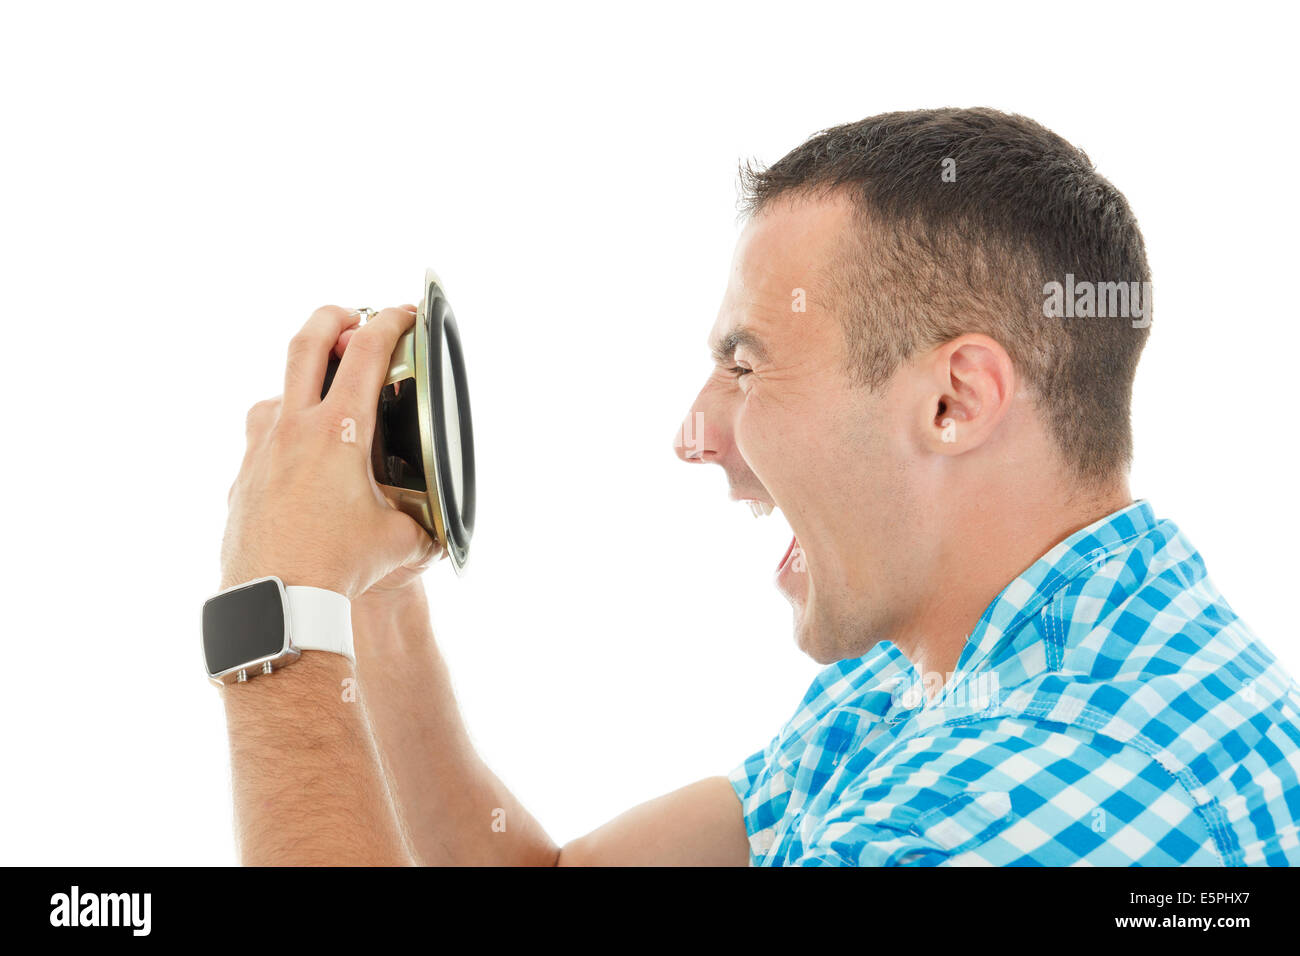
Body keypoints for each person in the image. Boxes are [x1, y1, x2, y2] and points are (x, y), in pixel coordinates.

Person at [216, 108, 1300, 865]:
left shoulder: (1064, 789)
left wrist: (278, 627)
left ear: (954, 400)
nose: (698, 434)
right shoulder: (948, 652)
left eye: (746, 365)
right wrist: (379, 588)